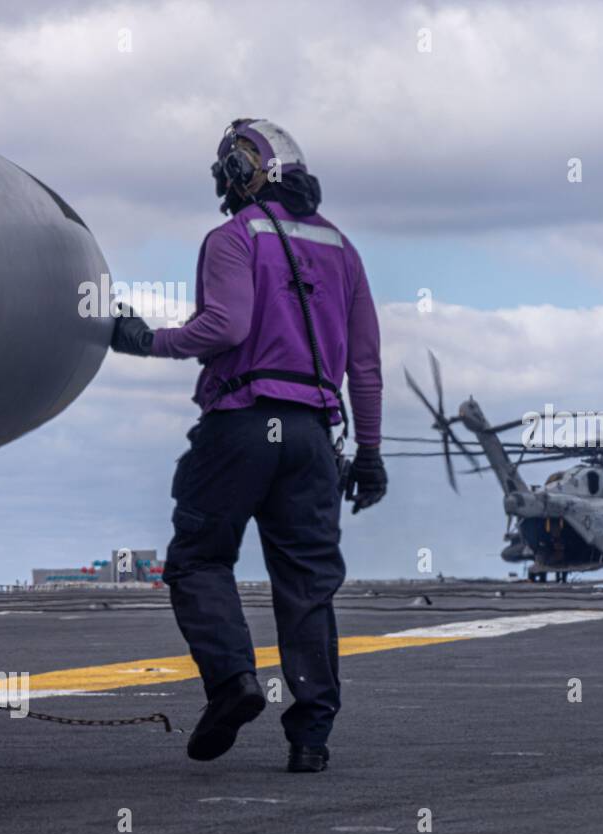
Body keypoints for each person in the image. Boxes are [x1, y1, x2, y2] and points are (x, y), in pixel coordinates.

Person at [109, 118, 387, 773]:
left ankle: (233, 681)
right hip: (314, 438)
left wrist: (148, 339)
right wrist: (369, 452)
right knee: (308, 587)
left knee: (200, 560)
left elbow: (224, 326)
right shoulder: (344, 248)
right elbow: (367, 364)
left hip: (242, 425)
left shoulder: (233, 238)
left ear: (243, 170)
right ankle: (310, 737)